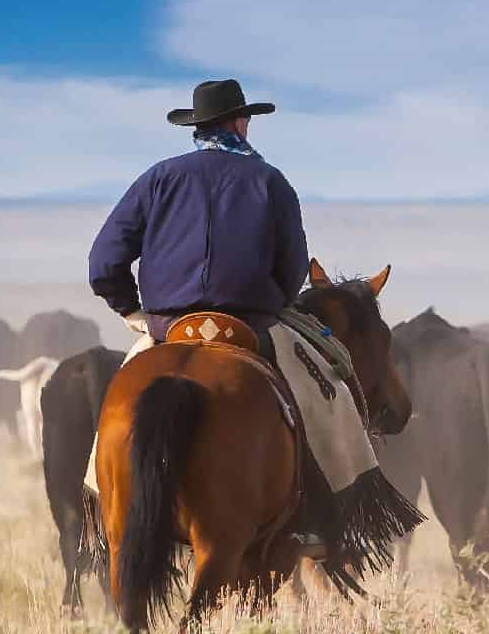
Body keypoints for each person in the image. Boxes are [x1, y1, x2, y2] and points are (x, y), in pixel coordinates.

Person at [88, 78, 328, 555]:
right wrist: (268, 307)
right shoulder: (270, 181)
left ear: (196, 127)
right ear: (241, 122)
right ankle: (309, 518)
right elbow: (294, 266)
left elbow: (103, 260)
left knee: (106, 429)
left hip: (166, 328)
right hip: (249, 328)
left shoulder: (158, 178)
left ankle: (98, 516)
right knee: (317, 399)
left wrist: (132, 311)